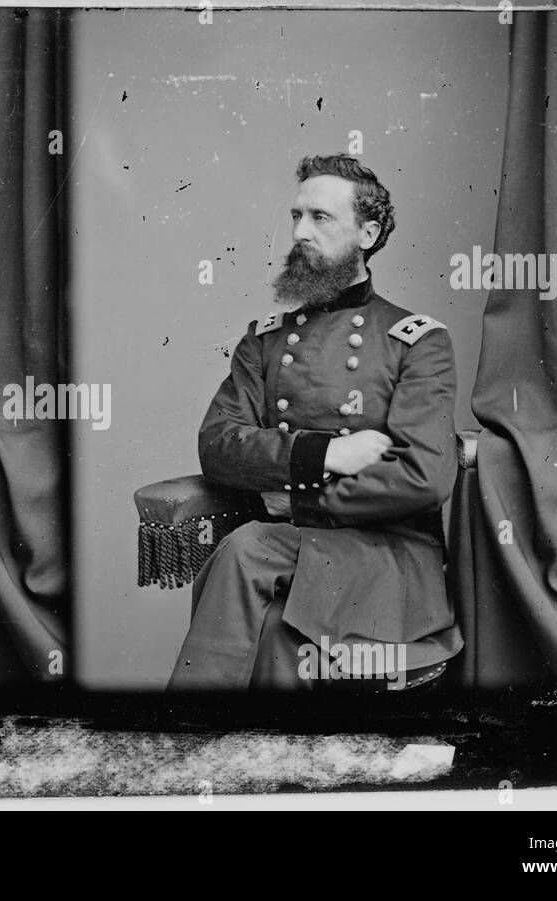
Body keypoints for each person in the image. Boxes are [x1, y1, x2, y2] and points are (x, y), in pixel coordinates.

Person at [168, 153, 462, 693]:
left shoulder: (418, 342)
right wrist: (323, 455)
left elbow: (424, 477)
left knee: (248, 548)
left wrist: (299, 500)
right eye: (297, 216)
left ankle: (190, 732)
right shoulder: (266, 339)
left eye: (320, 218)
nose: (300, 231)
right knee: (275, 626)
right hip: (293, 551)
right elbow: (218, 445)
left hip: (386, 554)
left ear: (368, 233)